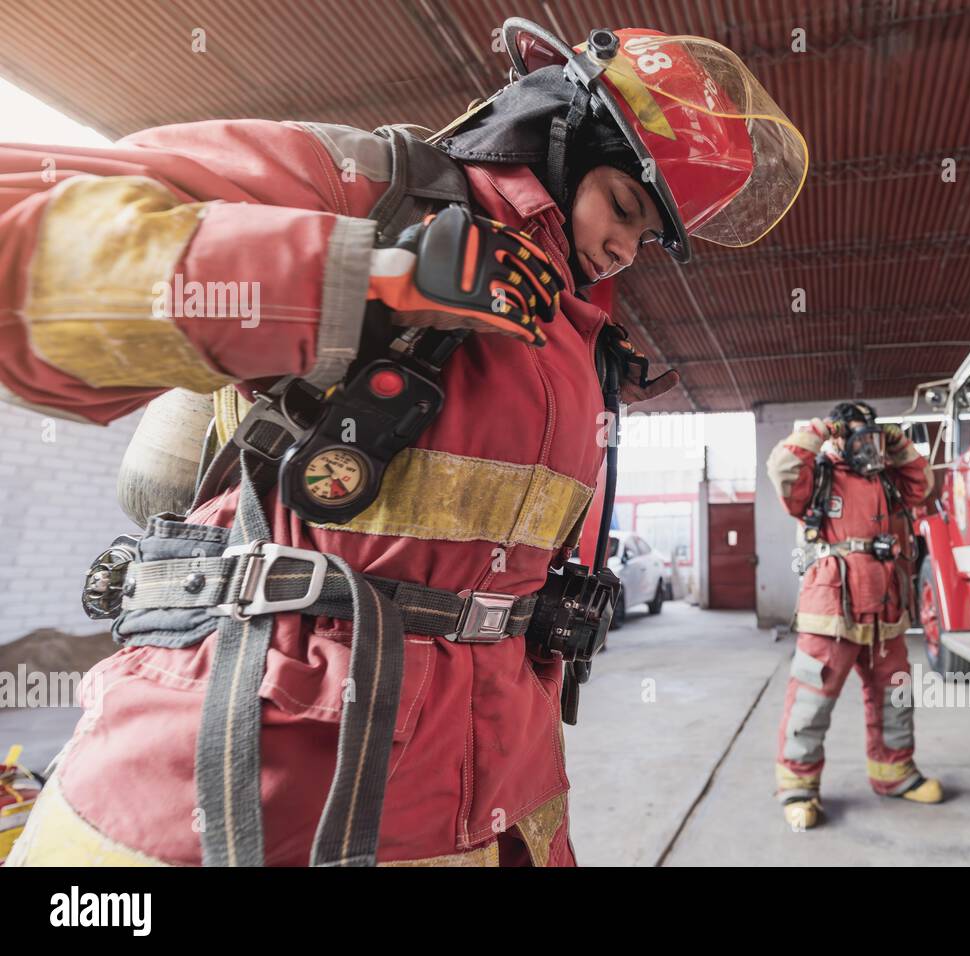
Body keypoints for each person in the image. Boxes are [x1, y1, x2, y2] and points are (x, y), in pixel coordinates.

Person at [0, 18, 806, 866]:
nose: (621, 252)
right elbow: (24, 235)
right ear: (558, 134)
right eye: (624, 207)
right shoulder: (367, 188)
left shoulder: (572, 336)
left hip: (490, 794)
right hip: (243, 785)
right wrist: (359, 281)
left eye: (645, 240)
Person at [766, 402, 940, 830]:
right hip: (831, 613)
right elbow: (783, 466)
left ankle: (894, 773)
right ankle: (798, 788)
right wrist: (822, 429)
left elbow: (923, 482)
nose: (867, 442)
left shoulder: (889, 480)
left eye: (873, 432)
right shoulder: (818, 476)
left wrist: (897, 441)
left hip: (887, 612)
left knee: (895, 697)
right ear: (838, 435)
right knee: (811, 700)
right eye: (856, 432)